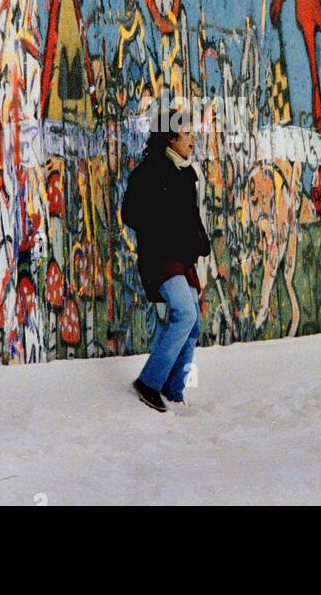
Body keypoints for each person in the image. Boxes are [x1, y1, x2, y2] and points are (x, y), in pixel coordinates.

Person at [121, 102, 211, 413]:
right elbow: (130, 213)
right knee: (184, 314)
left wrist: (198, 243)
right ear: (170, 137)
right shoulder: (149, 172)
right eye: (186, 133)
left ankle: (173, 391)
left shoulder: (186, 173)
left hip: (181, 257)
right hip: (160, 257)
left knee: (193, 322)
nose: (192, 139)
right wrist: (162, 228)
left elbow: (189, 218)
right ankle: (149, 383)